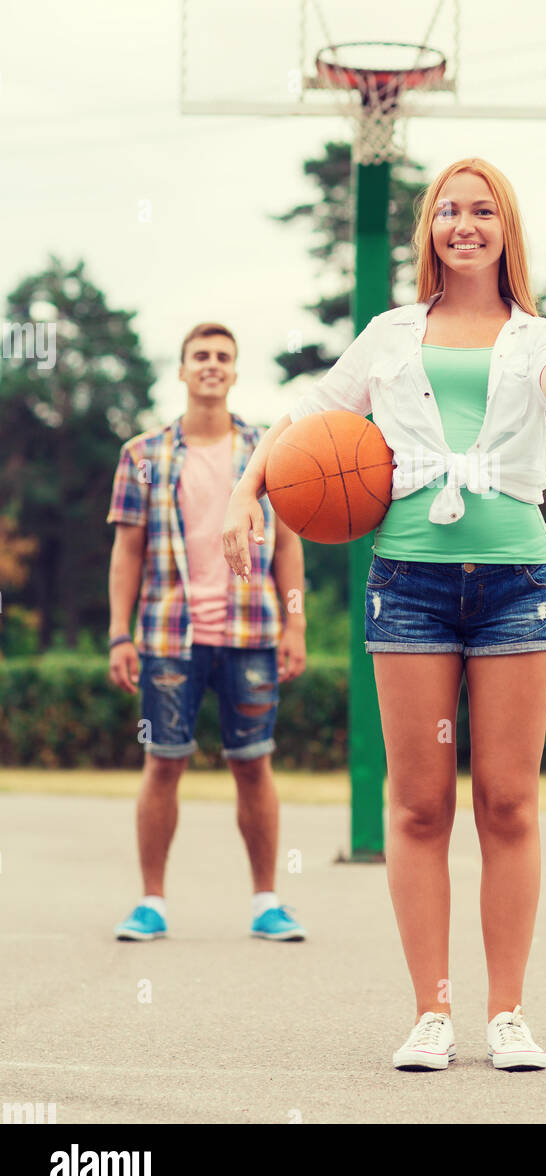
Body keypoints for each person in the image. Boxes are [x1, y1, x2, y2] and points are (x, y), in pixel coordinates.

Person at [222, 158, 546, 1069]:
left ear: (505, 228)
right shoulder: (391, 333)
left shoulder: (540, 333)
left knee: (508, 803)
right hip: (411, 583)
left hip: (517, 582)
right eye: (447, 211)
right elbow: (310, 414)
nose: (463, 224)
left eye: (481, 211)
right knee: (421, 805)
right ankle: (431, 1013)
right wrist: (248, 490)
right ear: (428, 229)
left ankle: (505, 1014)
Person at [107, 323, 307, 942]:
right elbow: (127, 551)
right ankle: (151, 902)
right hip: (169, 636)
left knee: (253, 764)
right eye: (201, 356)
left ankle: (267, 902)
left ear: (236, 371)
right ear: (183, 370)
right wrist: (120, 633)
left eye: (223, 356)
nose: (212, 365)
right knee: (163, 763)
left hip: (251, 632)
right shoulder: (143, 455)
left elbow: (289, 541)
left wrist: (295, 620)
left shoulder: (267, 449)